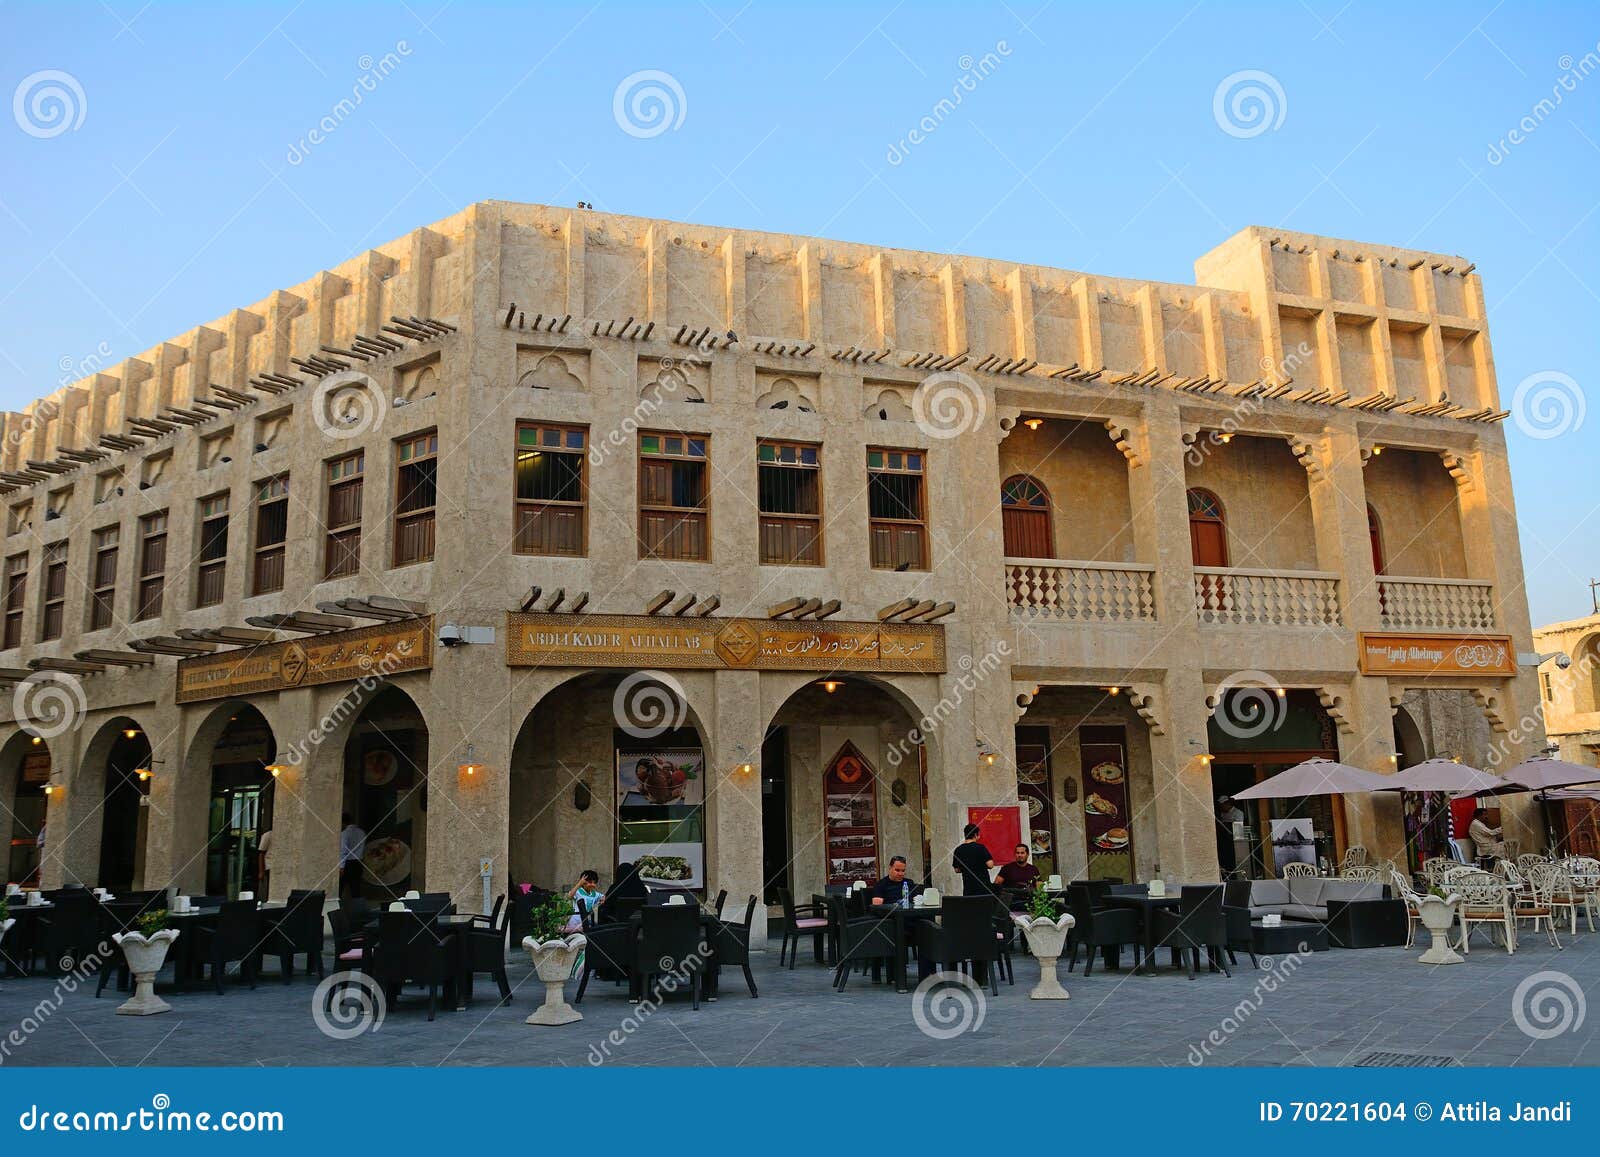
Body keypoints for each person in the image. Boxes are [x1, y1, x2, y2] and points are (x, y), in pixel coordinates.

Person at [951, 824, 996, 895]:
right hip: (983, 889)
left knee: (970, 906)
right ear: (975, 834)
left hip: (968, 889)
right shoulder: (980, 848)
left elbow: (957, 870)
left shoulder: (958, 850)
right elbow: (990, 865)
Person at [338, 814, 366, 899]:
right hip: (358, 862)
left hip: (347, 863)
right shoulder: (362, 832)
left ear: (342, 823)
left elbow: (343, 850)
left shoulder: (345, 833)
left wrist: (341, 866)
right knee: (356, 889)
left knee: (339, 889)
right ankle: (357, 909)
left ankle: (338, 909)